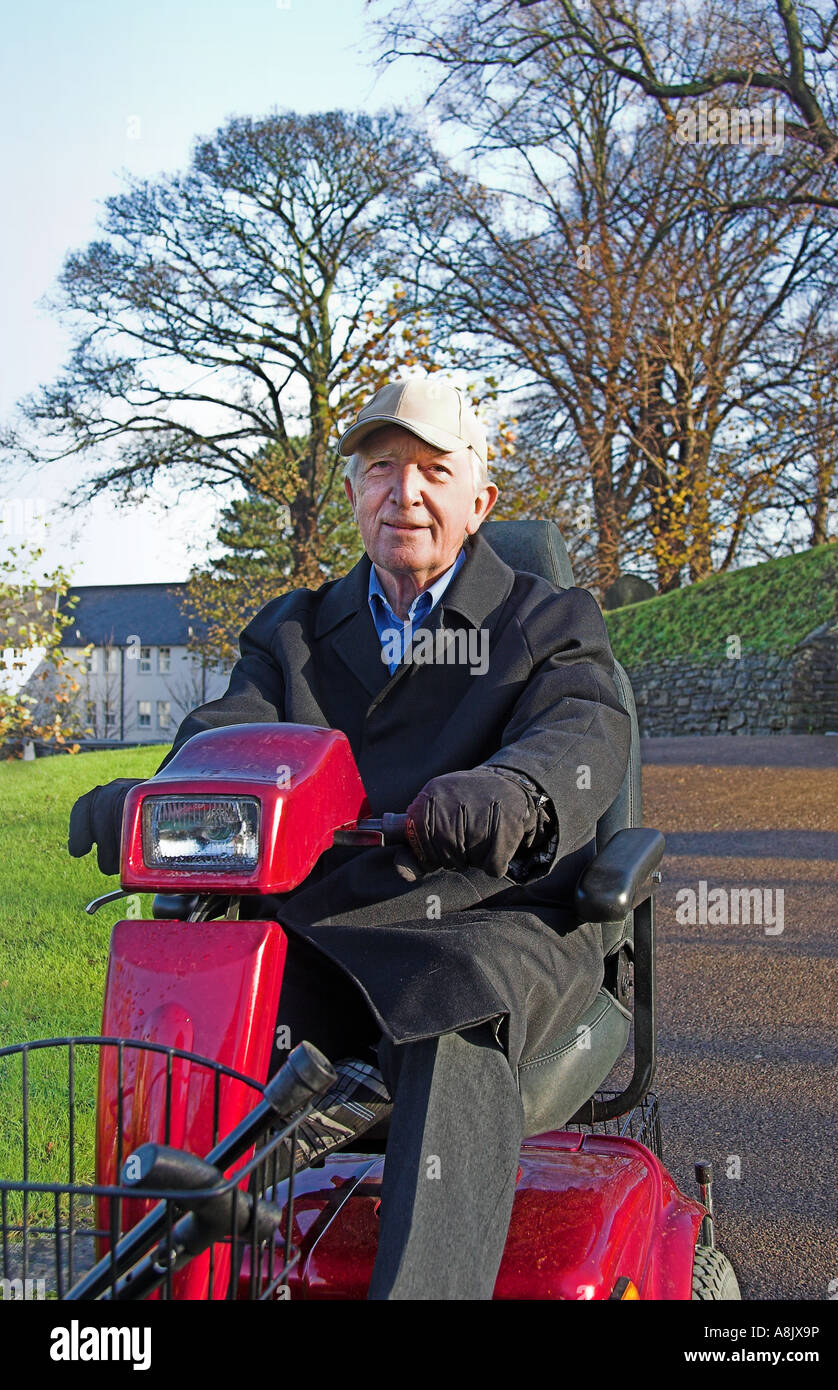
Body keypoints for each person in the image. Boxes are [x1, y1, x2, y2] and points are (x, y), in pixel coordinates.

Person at [68, 376, 631, 1299]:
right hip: (324, 921)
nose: (402, 493)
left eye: (431, 471)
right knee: (195, 988)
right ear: (354, 493)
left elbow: (581, 735)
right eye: (381, 469)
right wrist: (153, 795)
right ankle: (160, 1289)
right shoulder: (293, 631)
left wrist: (513, 790)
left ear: (479, 499)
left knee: (455, 999)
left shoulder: (545, 621)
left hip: (491, 918)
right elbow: (224, 738)